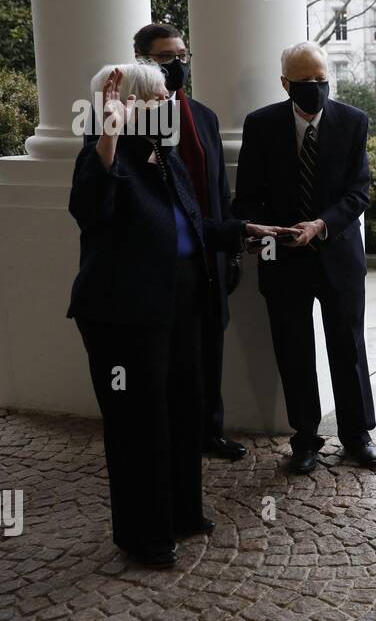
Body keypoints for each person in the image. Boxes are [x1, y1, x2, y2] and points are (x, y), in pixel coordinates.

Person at [67, 62, 280, 568]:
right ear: (131, 105)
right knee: (139, 425)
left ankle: (182, 513)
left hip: (182, 305)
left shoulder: (163, 155)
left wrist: (242, 230)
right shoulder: (103, 156)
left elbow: (191, 225)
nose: (172, 103)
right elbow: (90, 210)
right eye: (160, 97)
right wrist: (107, 135)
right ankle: (143, 536)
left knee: (185, 410)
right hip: (125, 316)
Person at [232, 42, 376, 475]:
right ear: (285, 84)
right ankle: (305, 438)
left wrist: (321, 224)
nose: (315, 88)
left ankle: (357, 435)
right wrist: (262, 231)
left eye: (321, 80)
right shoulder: (260, 125)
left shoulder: (354, 122)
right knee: (293, 349)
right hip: (283, 258)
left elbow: (359, 192)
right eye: (305, 83)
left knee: (347, 347)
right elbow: (248, 197)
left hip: (338, 255)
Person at [133, 22, 248, 463]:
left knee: (209, 349)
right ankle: (168, 437)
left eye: (182, 55)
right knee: (166, 357)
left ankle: (209, 432)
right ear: (141, 60)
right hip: (162, 262)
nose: (177, 65)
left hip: (209, 254)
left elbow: (218, 189)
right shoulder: (125, 122)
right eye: (165, 58)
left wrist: (230, 250)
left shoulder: (204, 116)